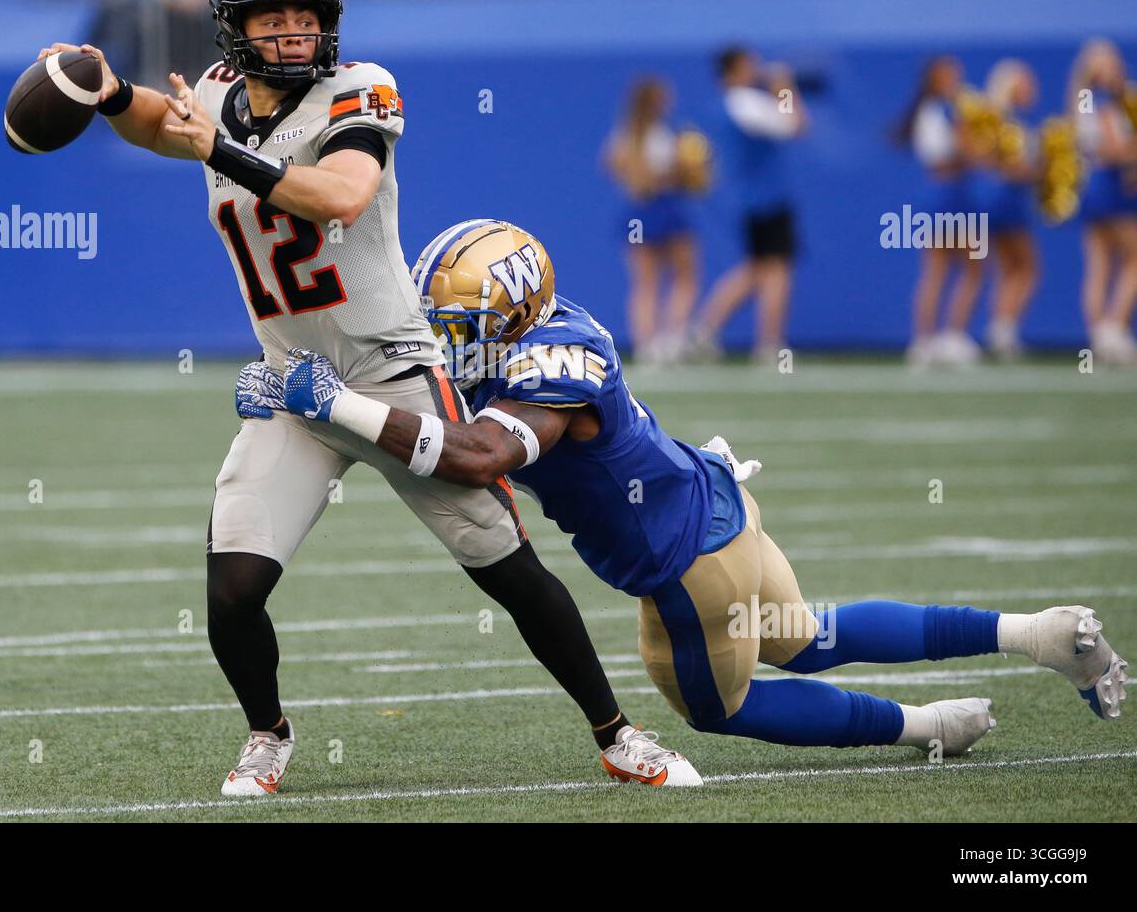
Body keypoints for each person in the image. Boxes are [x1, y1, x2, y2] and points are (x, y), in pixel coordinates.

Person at [38, 0, 696, 795]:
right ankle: (267, 734)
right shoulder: (214, 98)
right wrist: (109, 93)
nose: (294, 33)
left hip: (390, 371)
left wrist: (219, 153)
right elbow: (166, 129)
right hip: (288, 384)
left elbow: (341, 194)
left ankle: (617, 733)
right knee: (234, 587)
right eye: (274, 19)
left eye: (308, 17)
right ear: (237, 30)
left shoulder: (360, 90)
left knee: (505, 567)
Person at [267, 220, 1128, 755]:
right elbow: (450, 394)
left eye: (460, 327)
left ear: (509, 315)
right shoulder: (554, 325)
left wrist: (335, 402)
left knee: (720, 710)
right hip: (719, 504)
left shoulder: (545, 374)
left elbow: (477, 457)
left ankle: (926, 727)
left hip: (685, 564)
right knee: (807, 637)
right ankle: (1041, 633)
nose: (448, 343)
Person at [693, 47, 806, 364]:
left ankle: (705, 329)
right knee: (777, 270)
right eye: (748, 65)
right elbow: (796, 124)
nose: (756, 69)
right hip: (767, 198)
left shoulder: (733, 102)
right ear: (733, 71)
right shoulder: (747, 101)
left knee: (756, 269)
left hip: (753, 197)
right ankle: (769, 343)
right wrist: (786, 88)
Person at [603, 78, 702, 365]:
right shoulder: (664, 137)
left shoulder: (622, 136)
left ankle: (646, 345)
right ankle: (671, 339)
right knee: (685, 276)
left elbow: (611, 165)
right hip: (666, 207)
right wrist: (686, 169)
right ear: (655, 101)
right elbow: (672, 177)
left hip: (637, 212)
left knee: (645, 282)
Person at [900, 55, 983, 367]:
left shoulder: (937, 110)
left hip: (943, 194)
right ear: (935, 79)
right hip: (948, 194)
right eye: (950, 76)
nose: (957, 81)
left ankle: (929, 339)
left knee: (942, 269)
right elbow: (953, 155)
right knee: (967, 267)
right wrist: (984, 150)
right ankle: (949, 336)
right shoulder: (941, 111)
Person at [1070, 38, 1137, 365]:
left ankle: (1100, 336)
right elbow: (1111, 149)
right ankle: (1113, 327)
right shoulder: (1107, 101)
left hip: (1095, 186)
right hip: (1113, 186)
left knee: (1099, 265)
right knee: (1132, 259)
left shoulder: (1082, 99)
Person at [969, 59, 1042, 360]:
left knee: (1007, 267)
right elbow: (1012, 167)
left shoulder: (994, 118)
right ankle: (1003, 329)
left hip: (990, 197)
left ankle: (1001, 329)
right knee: (1027, 267)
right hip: (1005, 198)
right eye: (1026, 84)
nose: (1032, 90)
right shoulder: (1005, 122)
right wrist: (1046, 172)